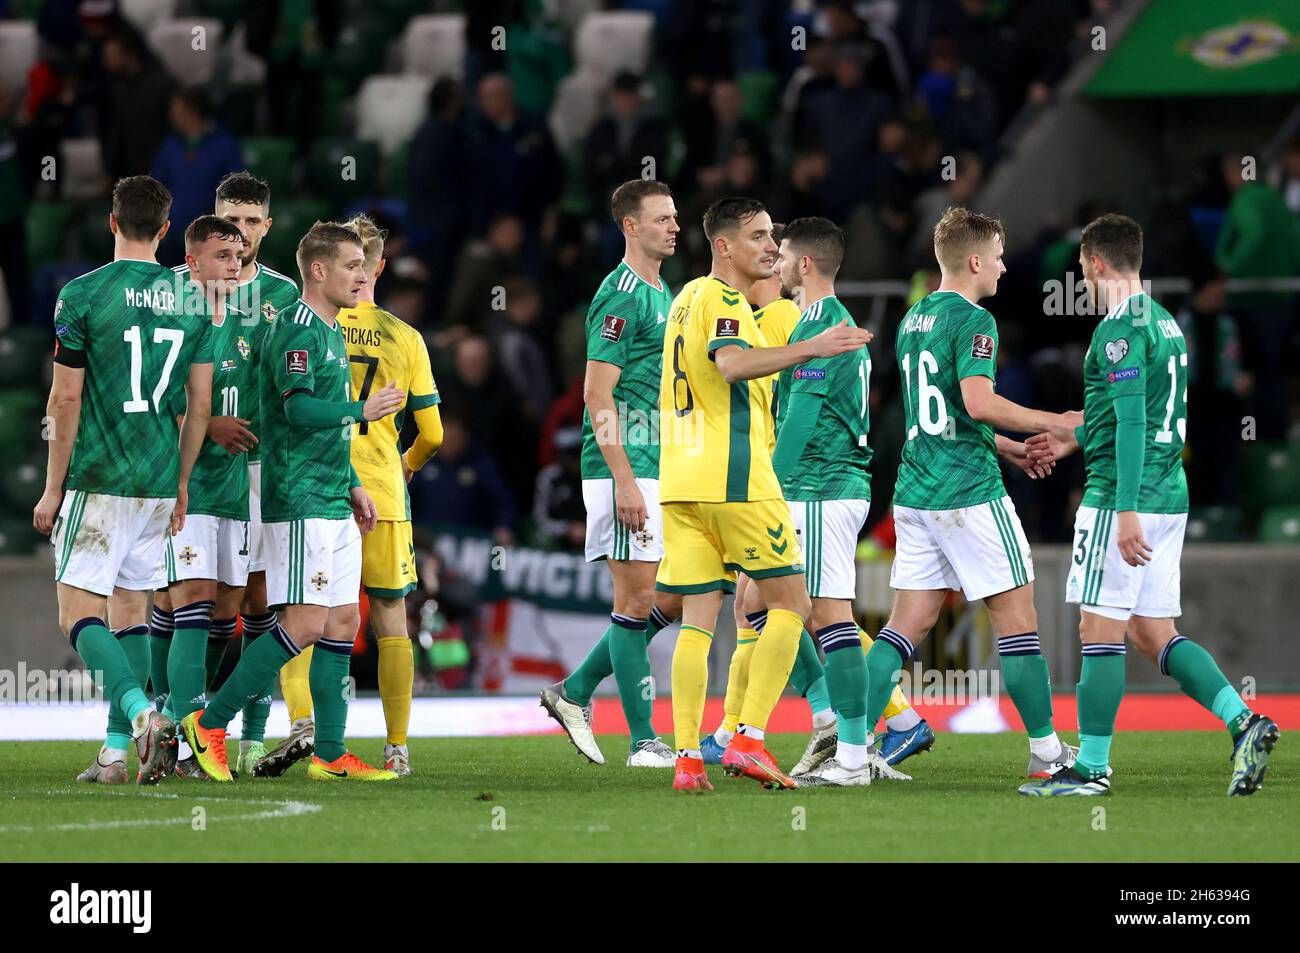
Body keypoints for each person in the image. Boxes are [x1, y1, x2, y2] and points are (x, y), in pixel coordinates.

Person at [1020, 213, 1280, 797]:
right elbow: (1130, 416)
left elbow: (1135, 421)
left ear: (1095, 263)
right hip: (1169, 494)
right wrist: (1074, 435)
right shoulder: (1165, 324)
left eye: (1082, 270)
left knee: (1099, 629)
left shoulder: (1118, 330)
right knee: (1151, 631)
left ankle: (1089, 769)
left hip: (1123, 498)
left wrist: (1126, 508)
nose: (1081, 281)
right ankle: (1244, 722)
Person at [862, 206, 1081, 787]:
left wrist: (1009, 446)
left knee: (904, 626)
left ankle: (854, 752)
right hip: (968, 493)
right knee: (1018, 622)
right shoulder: (976, 322)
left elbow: (943, 415)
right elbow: (978, 402)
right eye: (1001, 257)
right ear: (976, 260)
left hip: (915, 493)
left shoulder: (913, 320)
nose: (1006, 268)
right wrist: (1055, 422)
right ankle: (1047, 753)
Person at [658, 197, 871, 792]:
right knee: (793, 605)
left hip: (680, 484)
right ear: (723, 246)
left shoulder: (683, 301)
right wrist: (814, 347)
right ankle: (750, 737)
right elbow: (730, 366)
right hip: (736, 480)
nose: (770, 247)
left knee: (699, 623)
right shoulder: (725, 300)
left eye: (772, 237)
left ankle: (687, 759)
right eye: (757, 237)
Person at [181, 222, 404, 783]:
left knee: (342, 621)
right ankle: (209, 723)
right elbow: (299, 412)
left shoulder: (331, 331)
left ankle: (329, 753)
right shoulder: (295, 332)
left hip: (332, 494)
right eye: (352, 265)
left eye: (364, 265)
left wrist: (353, 481)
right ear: (320, 270)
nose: (363, 275)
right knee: (303, 624)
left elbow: (319, 424)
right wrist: (362, 412)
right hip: (298, 496)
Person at [34, 175, 214, 785]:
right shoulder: (193, 299)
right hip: (160, 480)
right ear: (166, 231)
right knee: (131, 610)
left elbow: (65, 399)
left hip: (100, 475)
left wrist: (54, 487)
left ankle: (142, 718)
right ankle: (116, 754)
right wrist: (184, 482)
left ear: (112, 223)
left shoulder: (82, 295)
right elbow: (197, 409)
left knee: (76, 613)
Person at [161, 171, 301, 778]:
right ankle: (168, 727)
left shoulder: (284, 296)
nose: (239, 237)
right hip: (187, 464)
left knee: (250, 603)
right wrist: (204, 421)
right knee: (181, 599)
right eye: (228, 223)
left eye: (249, 225)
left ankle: (247, 737)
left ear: (266, 228)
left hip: (258, 468)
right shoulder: (177, 290)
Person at [539, 180, 683, 769]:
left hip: (662, 461)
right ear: (630, 226)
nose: (675, 226)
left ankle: (572, 692)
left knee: (668, 600)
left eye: (676, 217)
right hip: (625, 463)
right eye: (663, 219)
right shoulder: (620, 294)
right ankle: (645, 740)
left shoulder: (662, 290)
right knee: (637, 598)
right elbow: (597, 391)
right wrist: (623, 476)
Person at [142, 216, 253, 782]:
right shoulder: (169, 317)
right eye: (220, 256)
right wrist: (208, 426)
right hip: (186, 486)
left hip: (233, 490)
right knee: (192, 599)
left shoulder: (244, 323)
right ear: (191, 261)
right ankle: (183, 737)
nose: (233, 265)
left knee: (226, 609)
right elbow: (157, 396)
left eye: (238, 256)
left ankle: (169, 716)